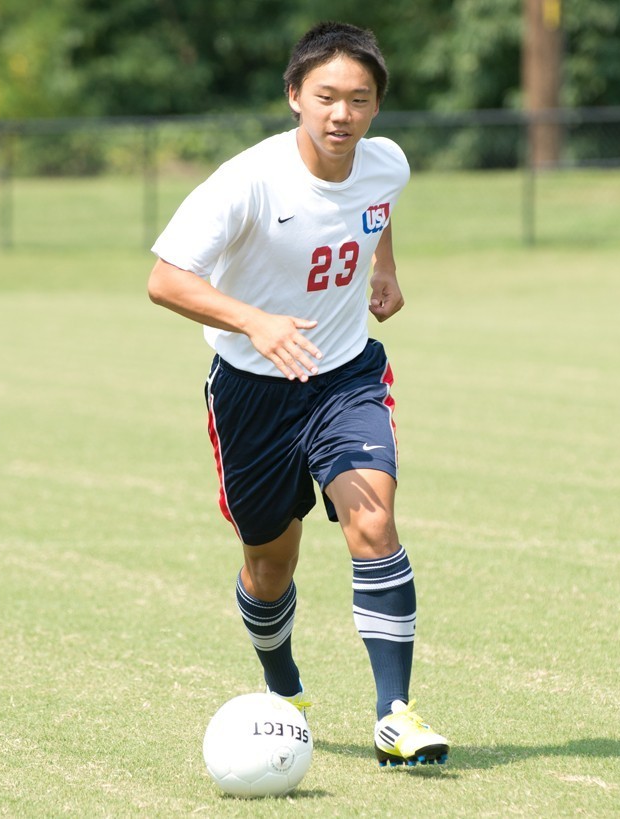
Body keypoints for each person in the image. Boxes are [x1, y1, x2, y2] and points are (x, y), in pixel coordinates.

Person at [147, 21, 449, 768]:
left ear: (377, 106)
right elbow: (166, 279)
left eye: (359, 99)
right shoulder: (247, 181)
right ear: (294, 97)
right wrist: (255, 320)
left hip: (345, 374)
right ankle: (283, 687)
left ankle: (395, 715)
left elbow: (375, 210)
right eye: (326, 98)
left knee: (372, 519)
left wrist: (383, 266)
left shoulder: (388, 165)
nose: (341, 114)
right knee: (270, 563)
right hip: (253, 392)